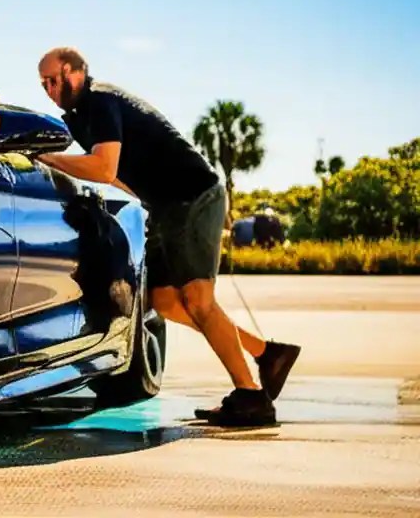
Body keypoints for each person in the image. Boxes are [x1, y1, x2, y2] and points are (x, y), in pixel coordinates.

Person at [32, 46, 301, 427]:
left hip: (193, 195)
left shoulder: (101, 100)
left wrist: (47, 158)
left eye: (53, 79)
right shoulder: (78, 118)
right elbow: (119, 176)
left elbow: (104, 168)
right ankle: (267, 354)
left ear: (76, 71)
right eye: (42, 83)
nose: (48, 88)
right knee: (164, 301)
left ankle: (252, 395)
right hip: (165, 206)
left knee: (198, 299)